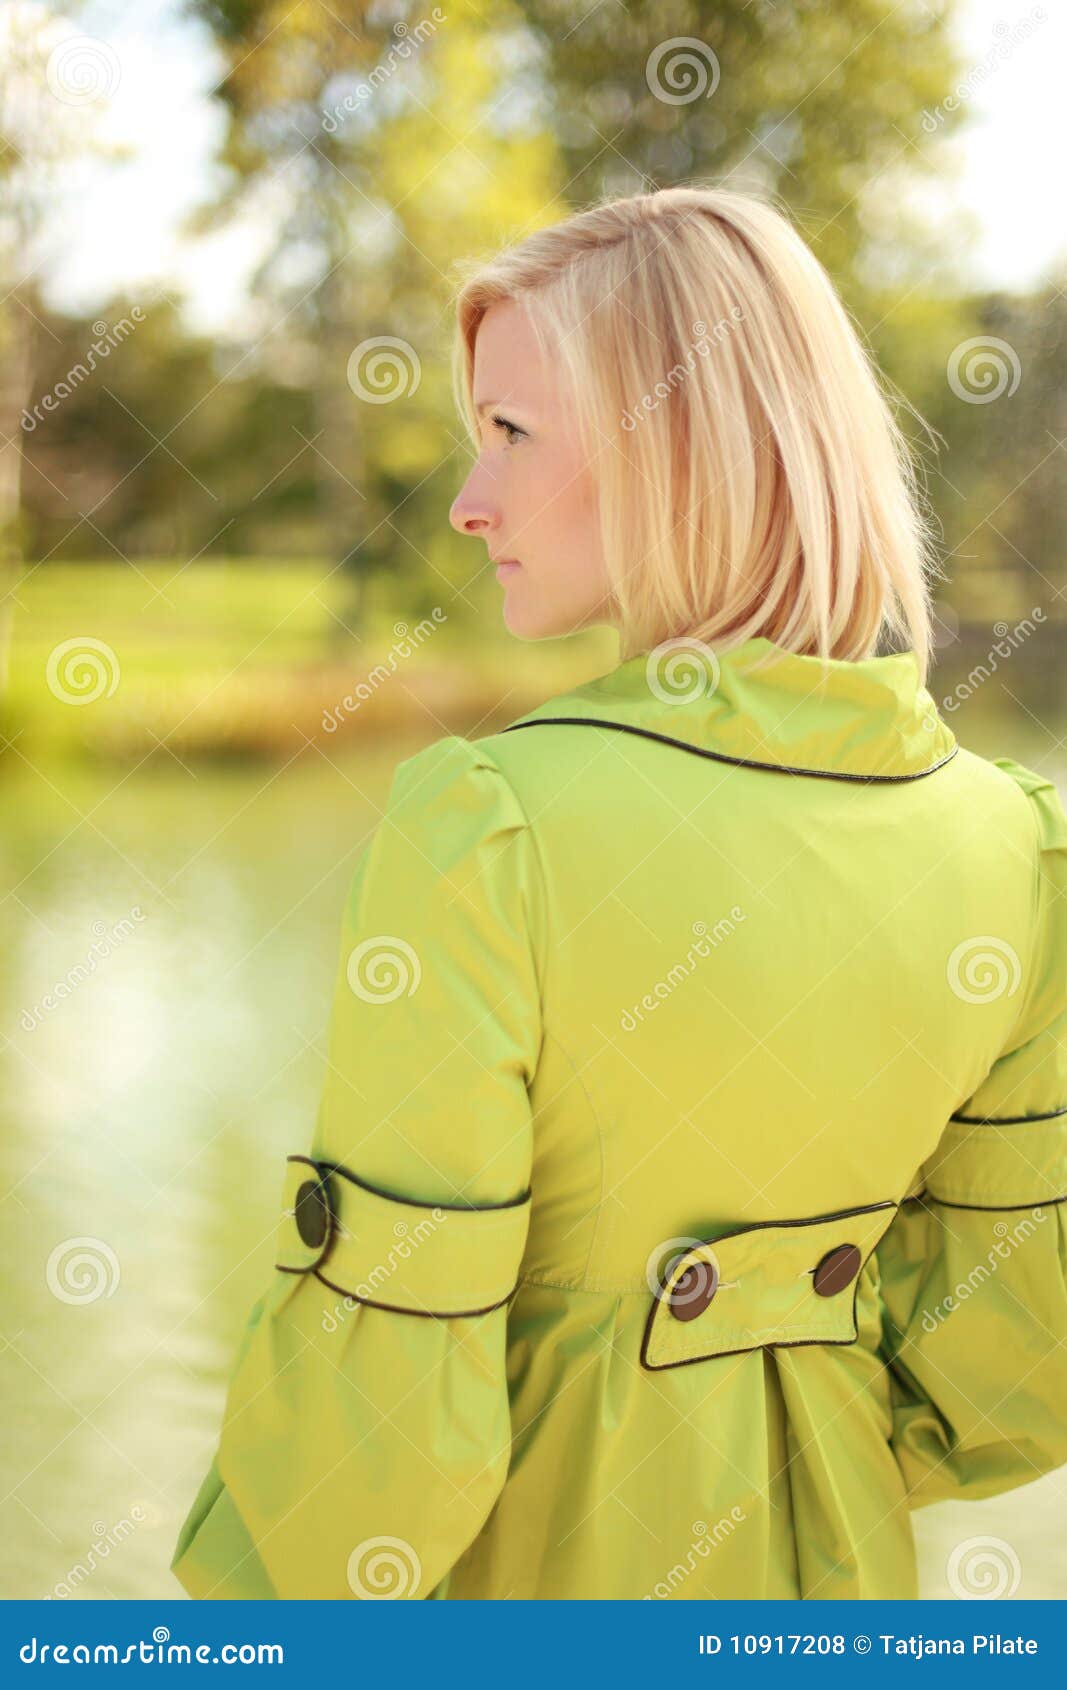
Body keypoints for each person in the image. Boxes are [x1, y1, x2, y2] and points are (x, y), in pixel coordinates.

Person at [170, 186, 1067, 1601]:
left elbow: (376, 1450)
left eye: (511, 432)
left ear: (674, 444)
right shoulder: (1021, 847)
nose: (468, 500)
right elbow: (1009, 1359)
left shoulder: (490, 824)